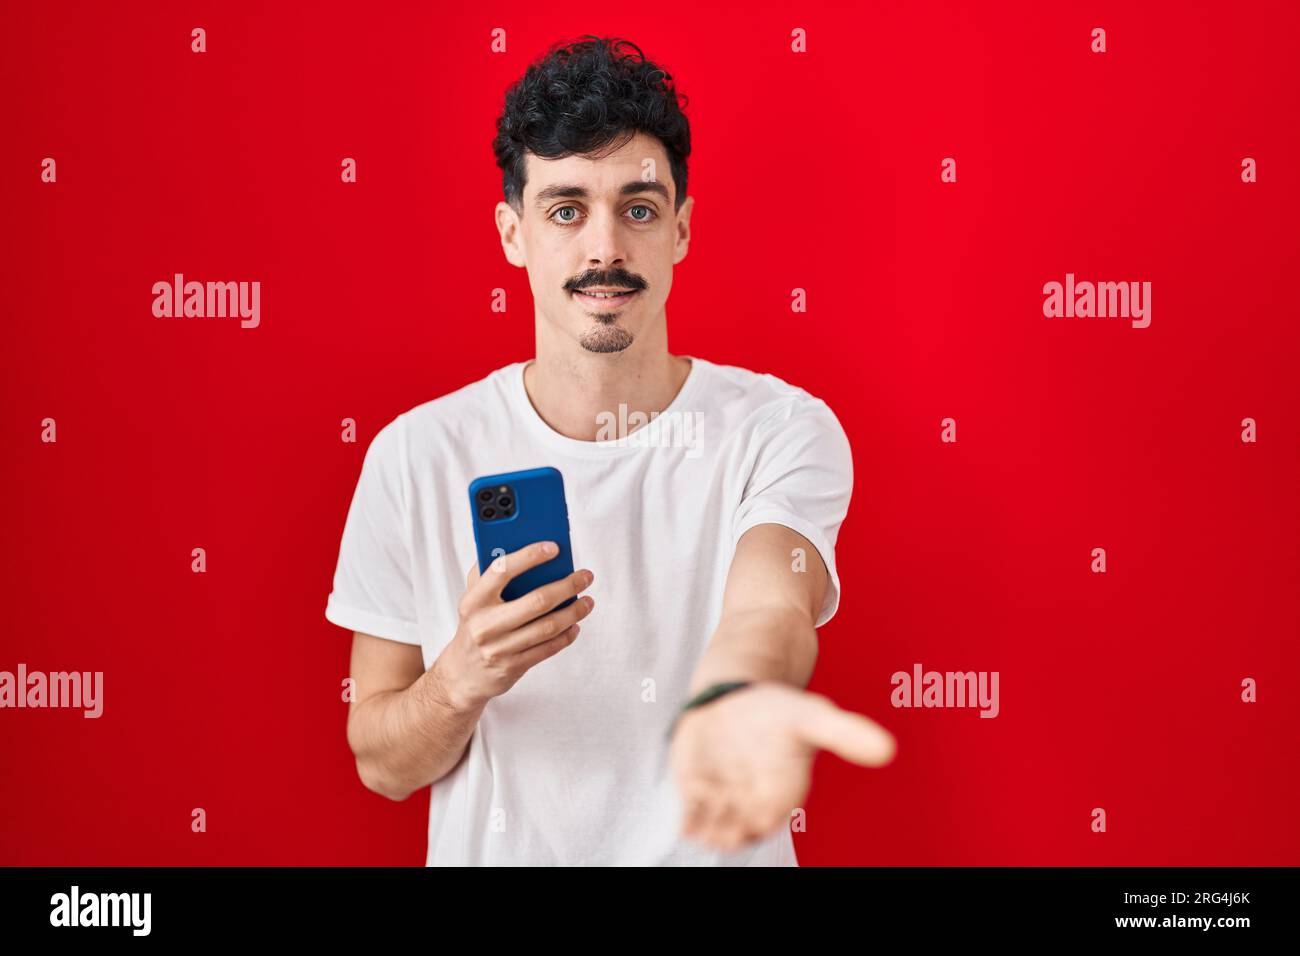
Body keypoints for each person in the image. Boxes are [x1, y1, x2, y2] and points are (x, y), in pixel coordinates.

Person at [324, 34, 896, 866]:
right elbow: (382, 764)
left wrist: (737, 691)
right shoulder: (414, 456)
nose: (605, 251)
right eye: (566, 210)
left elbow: (770, 605)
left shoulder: (778, 428)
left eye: (638, 207)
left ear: (682, 229)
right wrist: (461, 678)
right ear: (512, 233)